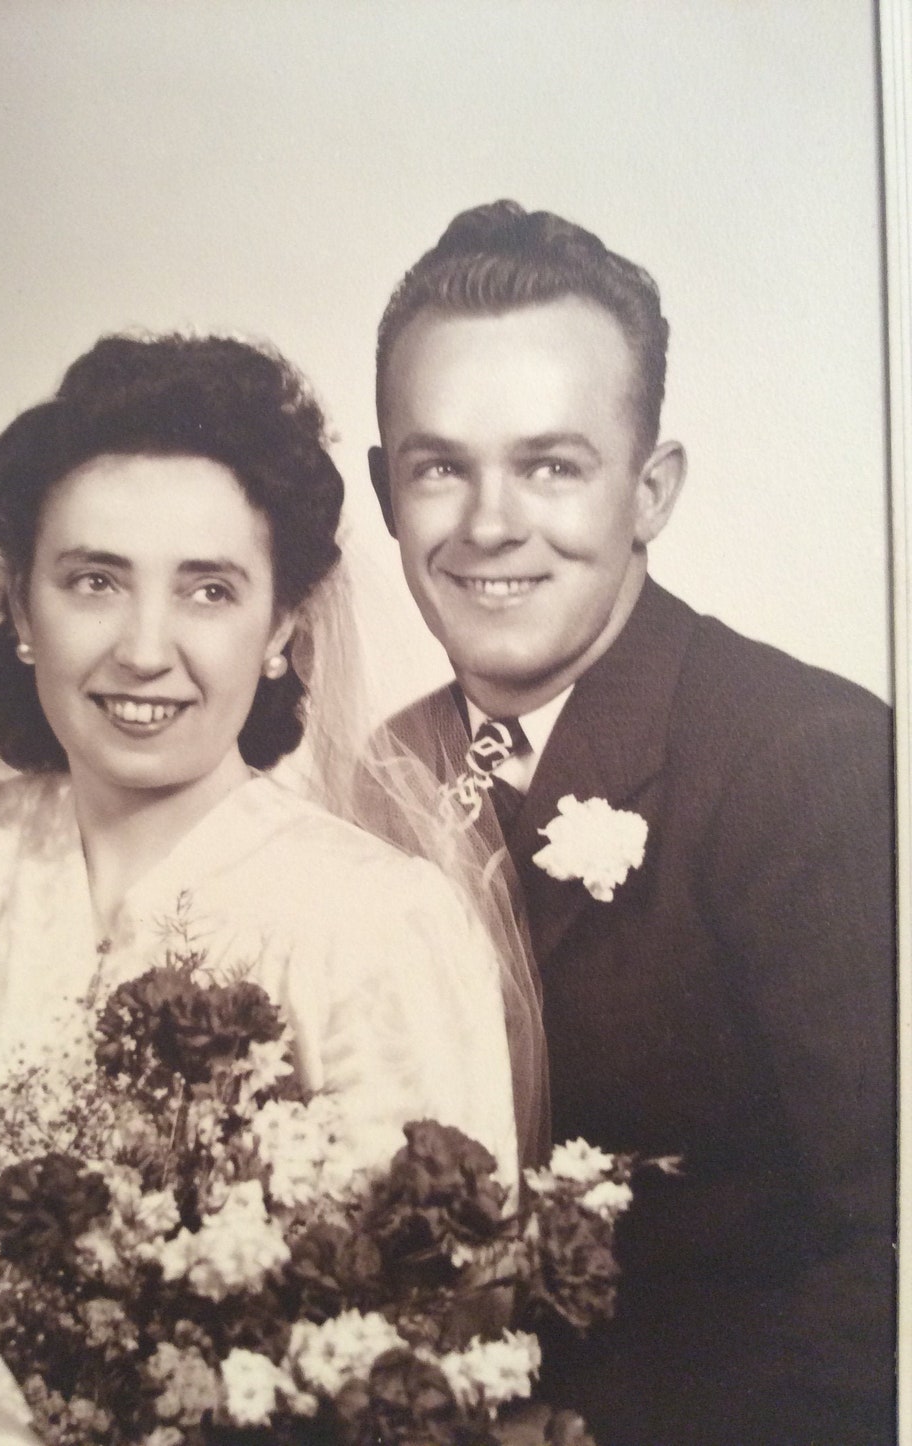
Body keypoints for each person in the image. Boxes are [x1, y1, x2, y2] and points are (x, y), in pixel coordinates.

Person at [0, 331, 540, 1442]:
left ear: (279, 630)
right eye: (92, 582)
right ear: (22, 615)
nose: (143, 648)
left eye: (209, 590)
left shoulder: (376, 925)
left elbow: (424, 1365)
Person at [368, 201, 896, 1446]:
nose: (488, 523)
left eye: (552, 464)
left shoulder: (808, 761)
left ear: (651, 490)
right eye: (439, 464)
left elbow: (889, 1257)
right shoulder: (384, 769)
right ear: (385, 492)